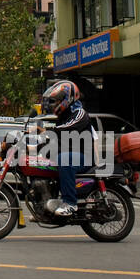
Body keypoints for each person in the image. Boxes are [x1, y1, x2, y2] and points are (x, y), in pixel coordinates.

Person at [39, 79, 92, 218]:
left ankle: (70, 203)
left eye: (56, 101)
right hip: (70, 153)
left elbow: (65, 129)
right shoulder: (64, 116)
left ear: (67, 98)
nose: (54, 104)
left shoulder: (79, 113)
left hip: (84, 157)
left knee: (65, 160)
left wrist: (46, 131)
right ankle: (46, 205)